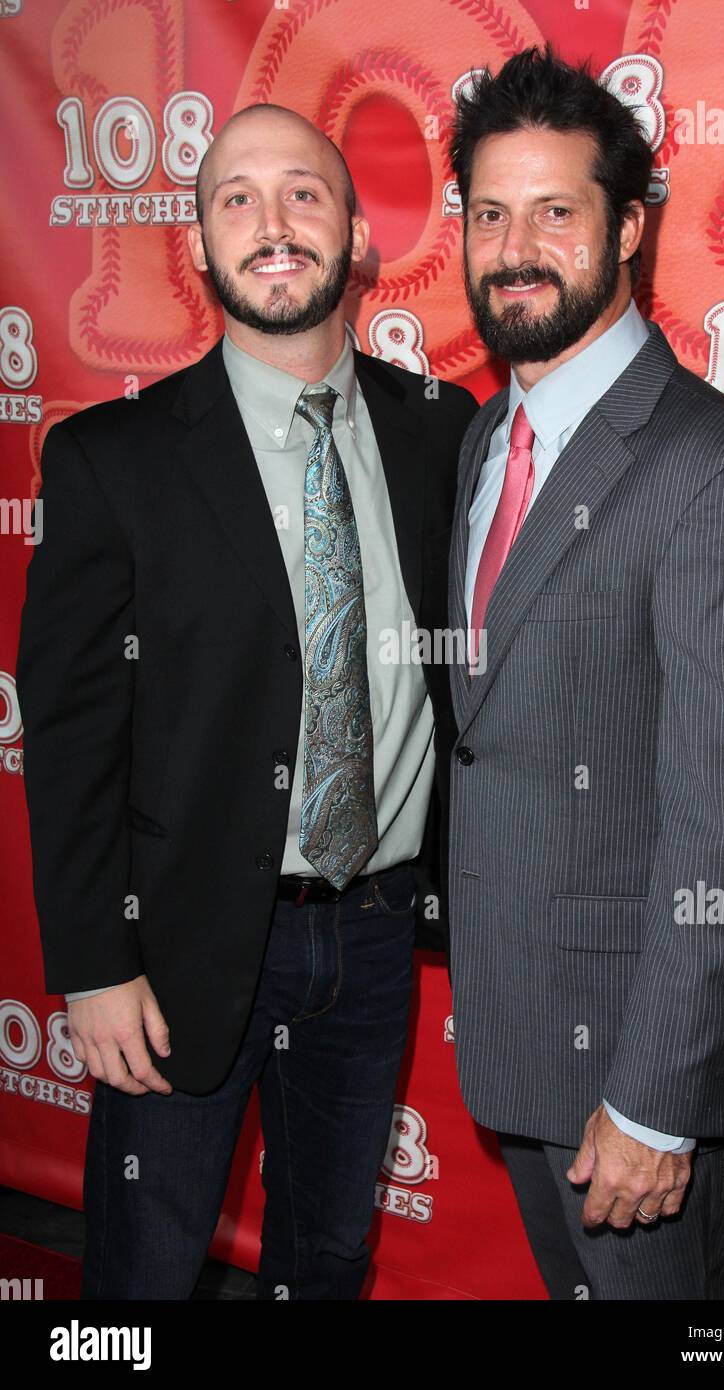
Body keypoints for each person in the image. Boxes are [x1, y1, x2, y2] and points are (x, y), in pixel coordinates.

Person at [16, 102, 476, 1300]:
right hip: (178, 943)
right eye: (236, 199)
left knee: (327, 1254)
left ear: (358, 238)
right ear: (200, 248)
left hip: (374, 932)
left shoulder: (443, 434)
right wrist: (91, 962)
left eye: (304, 194)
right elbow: (66, 737)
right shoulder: (113, 458)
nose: (272, 224)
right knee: (143, 1270)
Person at [445, 47, 724, 1300]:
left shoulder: (719, 476)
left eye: (555, 211)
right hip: (523, 1045)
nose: (515, 246)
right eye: (490, 213)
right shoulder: (487, 436)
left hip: (636, 1081)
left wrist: (658, 1103)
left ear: (628, 230)